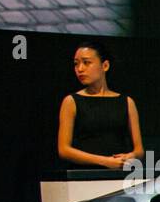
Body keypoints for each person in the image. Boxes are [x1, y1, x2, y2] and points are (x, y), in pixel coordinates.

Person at [57, 40, 144, 169]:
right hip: (84, 176)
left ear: (105, 66)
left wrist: (130, 156)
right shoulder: (71, 101)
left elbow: (139, 150)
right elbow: (64, 150)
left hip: (118, 175)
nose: (80, 69)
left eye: (86, 63)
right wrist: (105, 161)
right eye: (76, 64)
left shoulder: (127, 102)